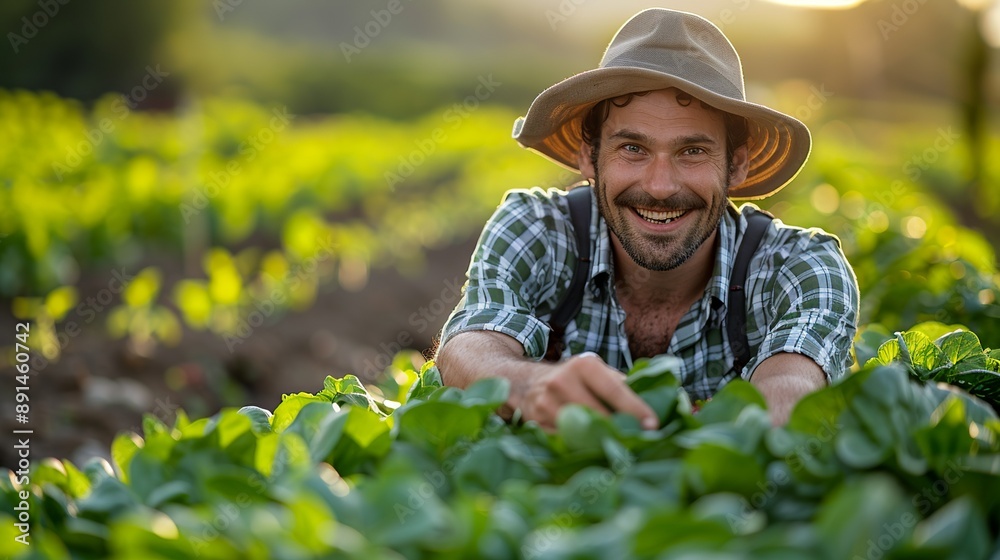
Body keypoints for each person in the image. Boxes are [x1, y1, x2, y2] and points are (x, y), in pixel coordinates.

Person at [435, 8, 859, 428]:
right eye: (633, 148)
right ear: (589, 156)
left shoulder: (802, 266)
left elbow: (791, 388)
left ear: (737, 166)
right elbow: (471, 346)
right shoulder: (538, 229)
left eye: (692, 151)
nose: (659, 187)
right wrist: (528, 385)